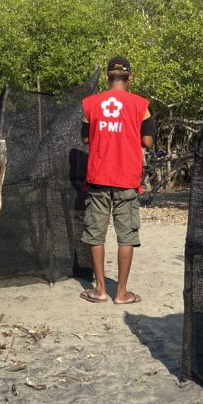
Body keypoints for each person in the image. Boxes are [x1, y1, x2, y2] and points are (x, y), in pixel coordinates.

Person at [78, 56, 156, 304]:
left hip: (99, 176)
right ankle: (121, 293)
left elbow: (85, 139)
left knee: (96, 233)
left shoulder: (91, 104)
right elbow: (147, 141)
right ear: (129, 77)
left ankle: (99, 289)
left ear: (108, 77)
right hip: (126, 177)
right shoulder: (141, 105)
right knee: (126, 236)